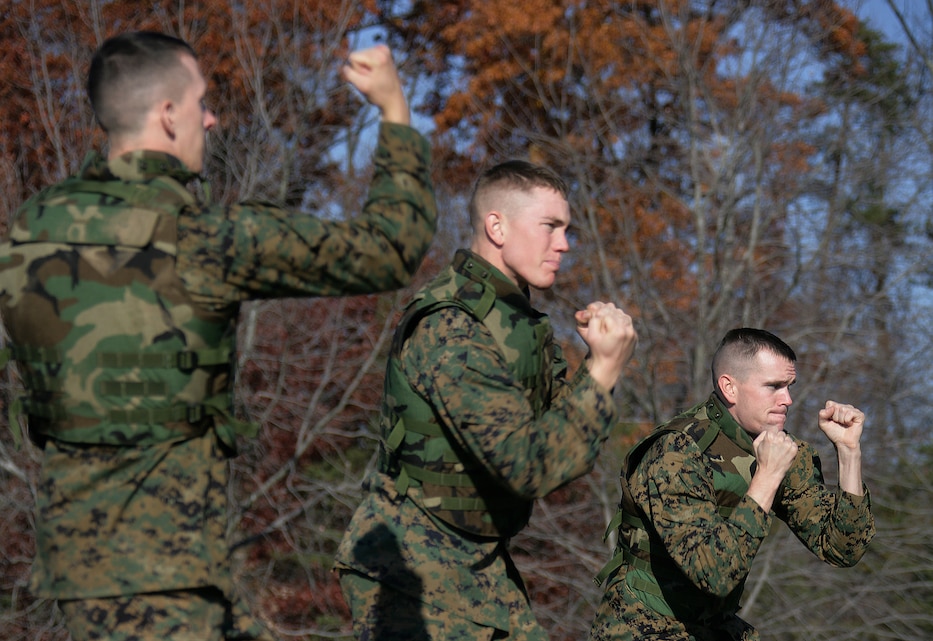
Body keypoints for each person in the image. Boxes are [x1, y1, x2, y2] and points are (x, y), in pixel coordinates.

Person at [0, 31, 437, 641]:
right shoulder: (202, 236)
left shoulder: (29, 231)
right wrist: (395, 111)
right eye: (202, 101)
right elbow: (390, 248)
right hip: (171, 579)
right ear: (168, 114)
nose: (213, 117)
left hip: (75, 570)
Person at [334, 159, 638, 640]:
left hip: (477, 570)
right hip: (410, 574)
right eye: (550, 227)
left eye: (567, 230)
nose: (563, 244)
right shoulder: (452, 326)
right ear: (496, 225)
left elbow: (561, 440)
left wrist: (596, 363)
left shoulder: (517, 324)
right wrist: (604, 370)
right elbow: (530, 465)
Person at [589, 328, 875, 641]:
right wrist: (766, 477)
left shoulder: (780, 450)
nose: (788, 400)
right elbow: (715, 572)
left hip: (713, 625)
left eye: (790, 386)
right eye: (774, 387)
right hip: (642, 624)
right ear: (730, 388)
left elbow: (841, 549)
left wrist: (849, 454)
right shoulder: (676, 452)